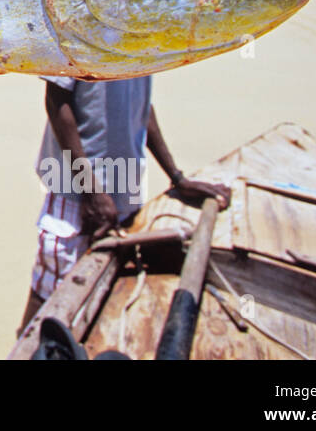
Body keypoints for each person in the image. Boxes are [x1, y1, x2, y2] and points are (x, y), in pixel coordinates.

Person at [18, 75, 231, 331]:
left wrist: (176, 176)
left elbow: (142, 107)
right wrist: (92, 191)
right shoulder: (74, 33)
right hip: (74, 196)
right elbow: (56, 100)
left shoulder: (144, 39)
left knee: (104, 299)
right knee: (48, 295)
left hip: (125, 196)